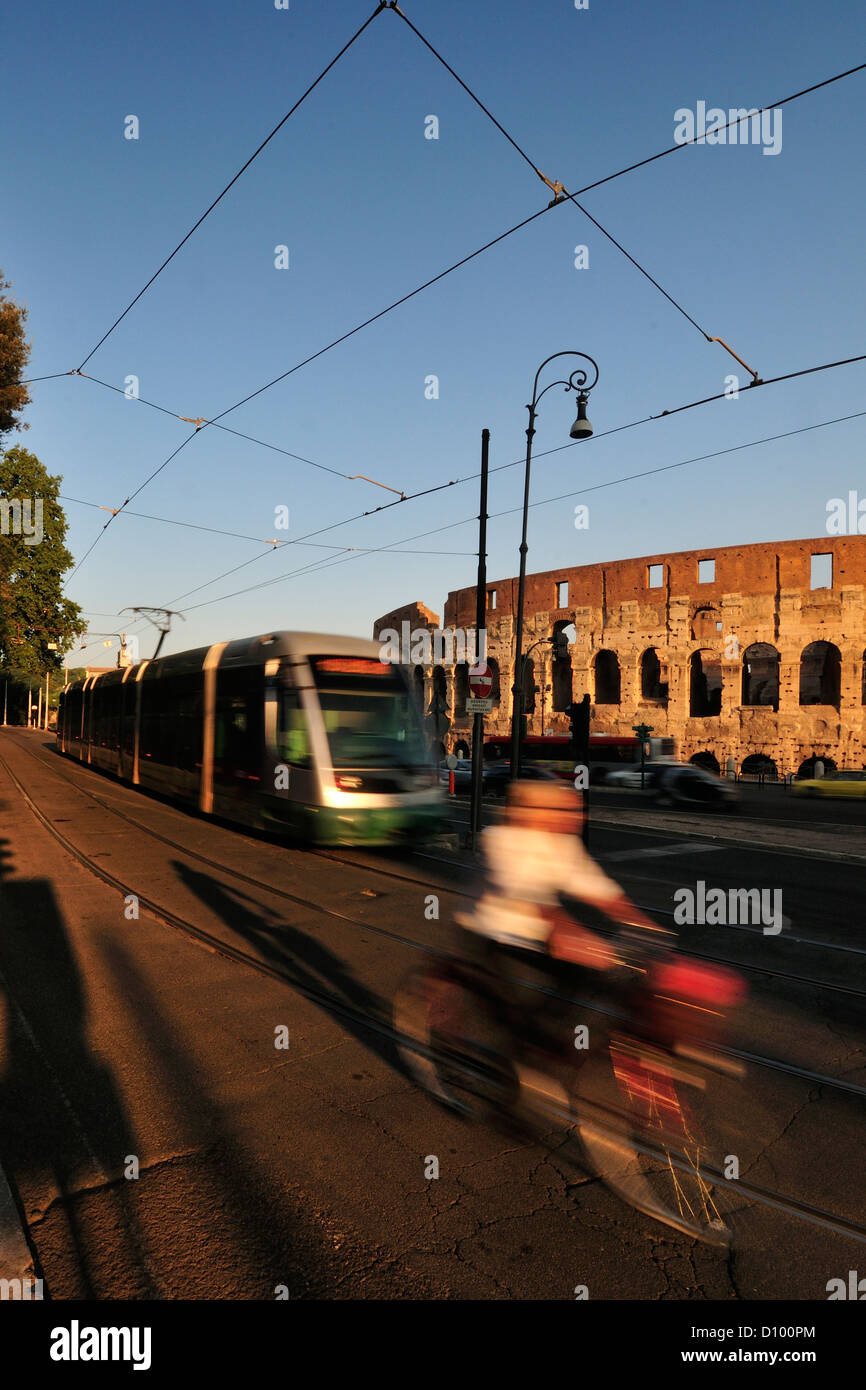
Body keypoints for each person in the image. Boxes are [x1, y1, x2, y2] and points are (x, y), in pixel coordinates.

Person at [458, 779, 660, 1096]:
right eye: (565, 810)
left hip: (535, 934)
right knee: (510, 1010)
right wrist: (579, 938)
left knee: (583, 981)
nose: (576, 818)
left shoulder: (562, 844)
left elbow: (599, 890)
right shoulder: (502, 840)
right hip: (490, 930)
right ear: (533, 812)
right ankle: (512, 1062)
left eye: (576, 811)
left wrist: (647, 928)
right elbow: (533, 901)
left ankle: (542, 1045)